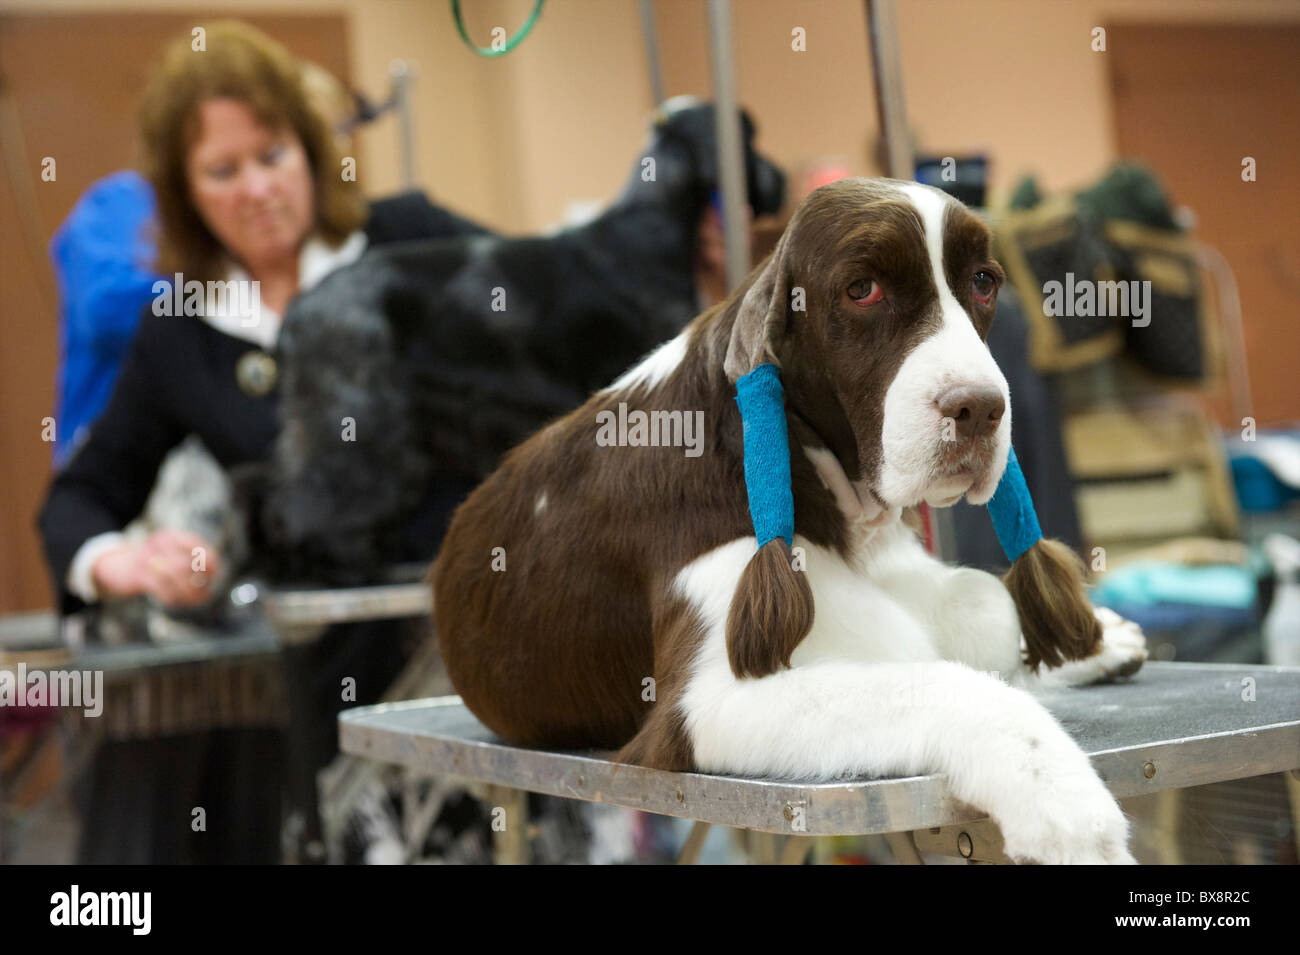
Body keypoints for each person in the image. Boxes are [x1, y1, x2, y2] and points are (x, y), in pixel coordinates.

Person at [36, 21, 488, 863]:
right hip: (332, 695)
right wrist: (119, 559)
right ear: (184, 192)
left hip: (485, 649)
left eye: (272, 155)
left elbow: (554, 314)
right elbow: (80, 497)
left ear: (313, 150)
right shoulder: (184, 329)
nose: (255, 189)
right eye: (221, 170)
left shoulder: (410, 241)